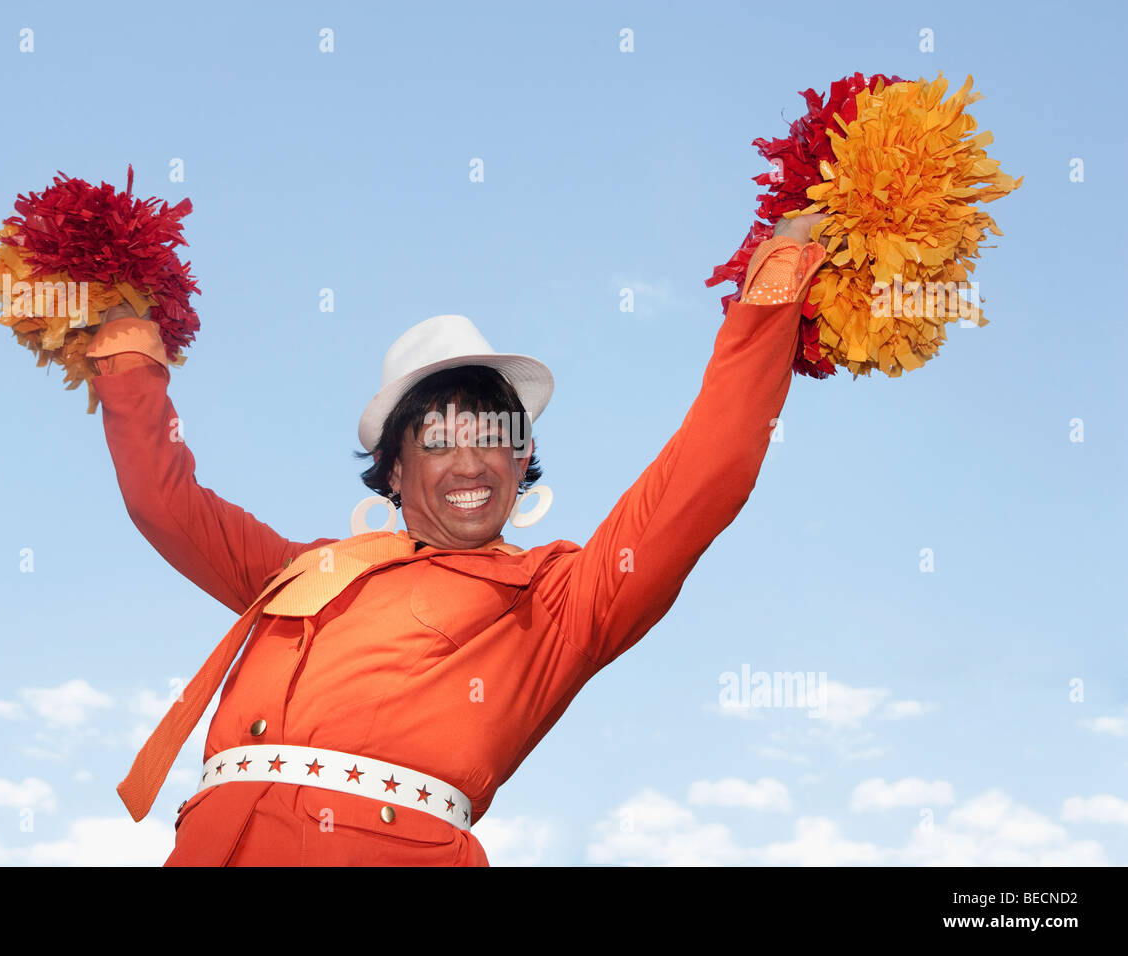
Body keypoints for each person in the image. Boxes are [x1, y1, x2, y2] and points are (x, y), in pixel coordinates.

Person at [89, 215, 826, 865]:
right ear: (396, 471)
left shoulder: (562, 600)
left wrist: (781, 273)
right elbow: (163, 502)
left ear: (519, 463)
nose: (470, 463)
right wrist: (126, 340)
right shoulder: (298, 570)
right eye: (439, 439)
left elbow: (707, 472)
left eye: (494, 438)